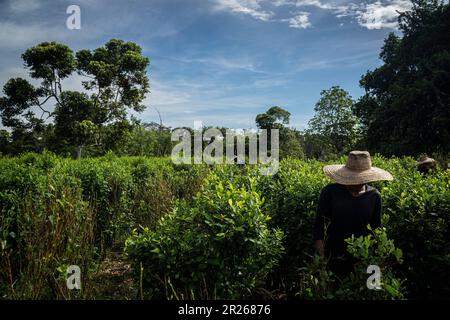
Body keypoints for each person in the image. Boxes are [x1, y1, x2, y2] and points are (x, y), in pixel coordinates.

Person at [312, 151, 393, 280]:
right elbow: (319, 226)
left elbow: (376, 230)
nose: (356, 183)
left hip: (363, 260)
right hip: (333, 259)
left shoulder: (374, 196)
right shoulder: (330, 192)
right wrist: (322, 260)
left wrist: (378, 263)